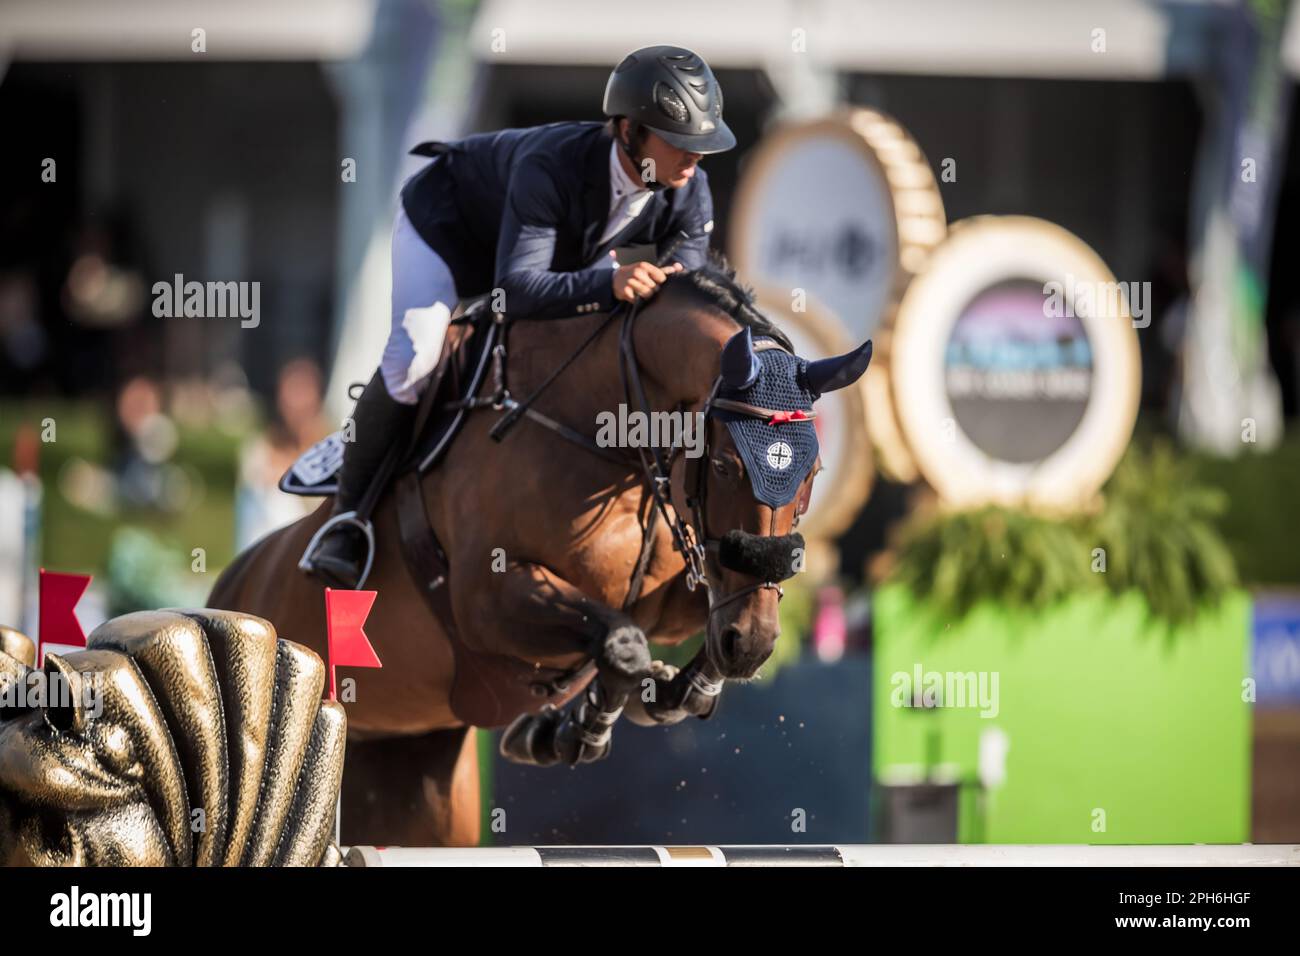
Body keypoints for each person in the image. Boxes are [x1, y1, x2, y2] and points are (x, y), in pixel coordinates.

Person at [304, 45, 735, 589]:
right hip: (447, 233)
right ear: (628, 131)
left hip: (547, 258)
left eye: (700, 145)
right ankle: (349, 520)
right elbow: (514, 291)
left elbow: (680, 295)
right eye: (678, 143)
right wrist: (609, 282)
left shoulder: (687, 188)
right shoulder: (552, 165)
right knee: (415, 356)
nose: (693, 158)